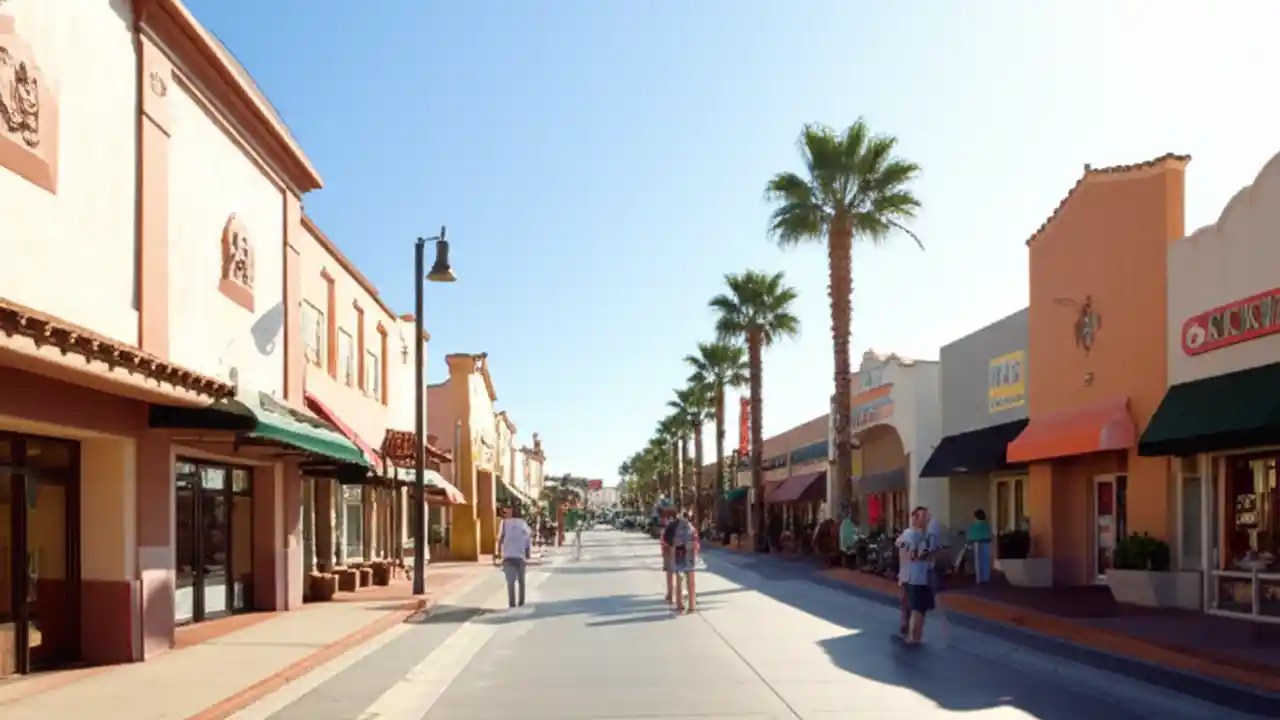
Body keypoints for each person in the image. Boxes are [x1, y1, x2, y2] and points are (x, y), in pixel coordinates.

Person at [896, 507, 935, 645]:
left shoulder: (908, 535)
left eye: (927, 516)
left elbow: (901, 549)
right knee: (918, 609)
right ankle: (914, 638)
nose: (926, 519)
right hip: (916, 578)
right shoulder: (915, 536)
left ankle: (911, 633)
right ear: (914, 518)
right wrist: (928, 553)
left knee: (913, 607)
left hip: (910, 577)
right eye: (923, 516)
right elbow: (913, 555)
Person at [496, 504, 532, 609]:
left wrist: (498, 552)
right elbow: (528, 538)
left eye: (506, 511)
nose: (505, 513)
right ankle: (516, 604)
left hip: (514, 557)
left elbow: (500, 539)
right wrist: (528, 551)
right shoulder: (509, 523)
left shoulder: (515, 523)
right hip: (513, 557)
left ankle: (517, 604)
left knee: (515, 582)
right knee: (517, 582)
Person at [669, 510, 700, 613]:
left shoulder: (677, 530)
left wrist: (673, 561)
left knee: (679, 583)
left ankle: (680, 606)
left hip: (680, 559)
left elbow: (674, 546)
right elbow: (696, 545)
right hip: (690, 559)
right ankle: (692, 606)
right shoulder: (692, 529)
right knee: (691, 584)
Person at [967, 508, 993, 583]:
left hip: (976, 544)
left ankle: (979, 578)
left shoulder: (973, 526)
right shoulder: (987, 525)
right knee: (985, 561)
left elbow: (970, 536)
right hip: (986, 543)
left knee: (977, 561)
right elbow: (989, 535)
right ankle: (986, 578)